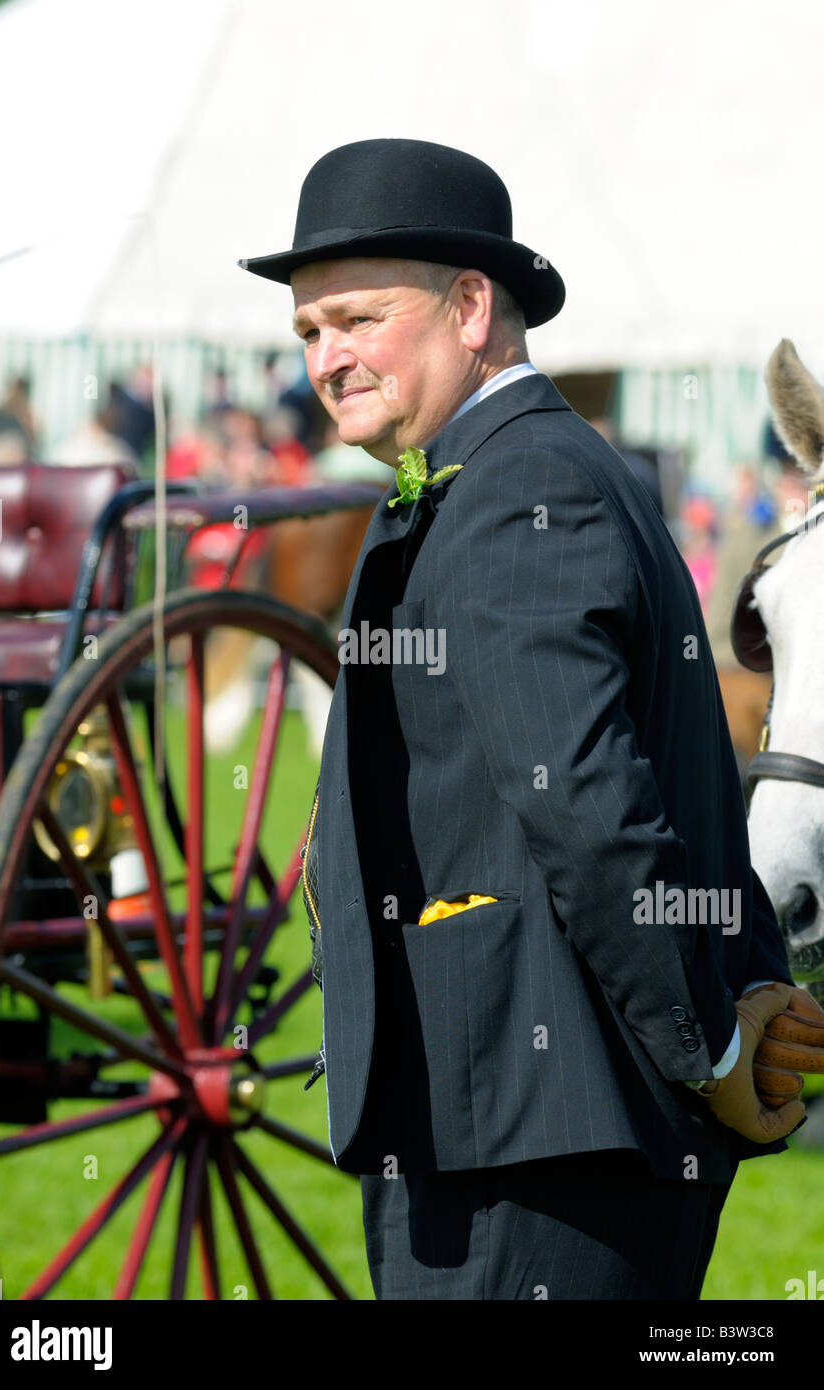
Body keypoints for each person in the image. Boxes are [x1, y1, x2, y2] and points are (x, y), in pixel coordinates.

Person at [239, 138, 812, 1301]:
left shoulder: (517, 487)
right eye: (307, 332)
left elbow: (592, 804)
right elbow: (660, 779)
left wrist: (710, 1033)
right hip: (510, 1124)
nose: (325, 358)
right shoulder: (515, 469)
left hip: (536, 1141)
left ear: (467, 306)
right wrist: (744, 984)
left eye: (354, 317)